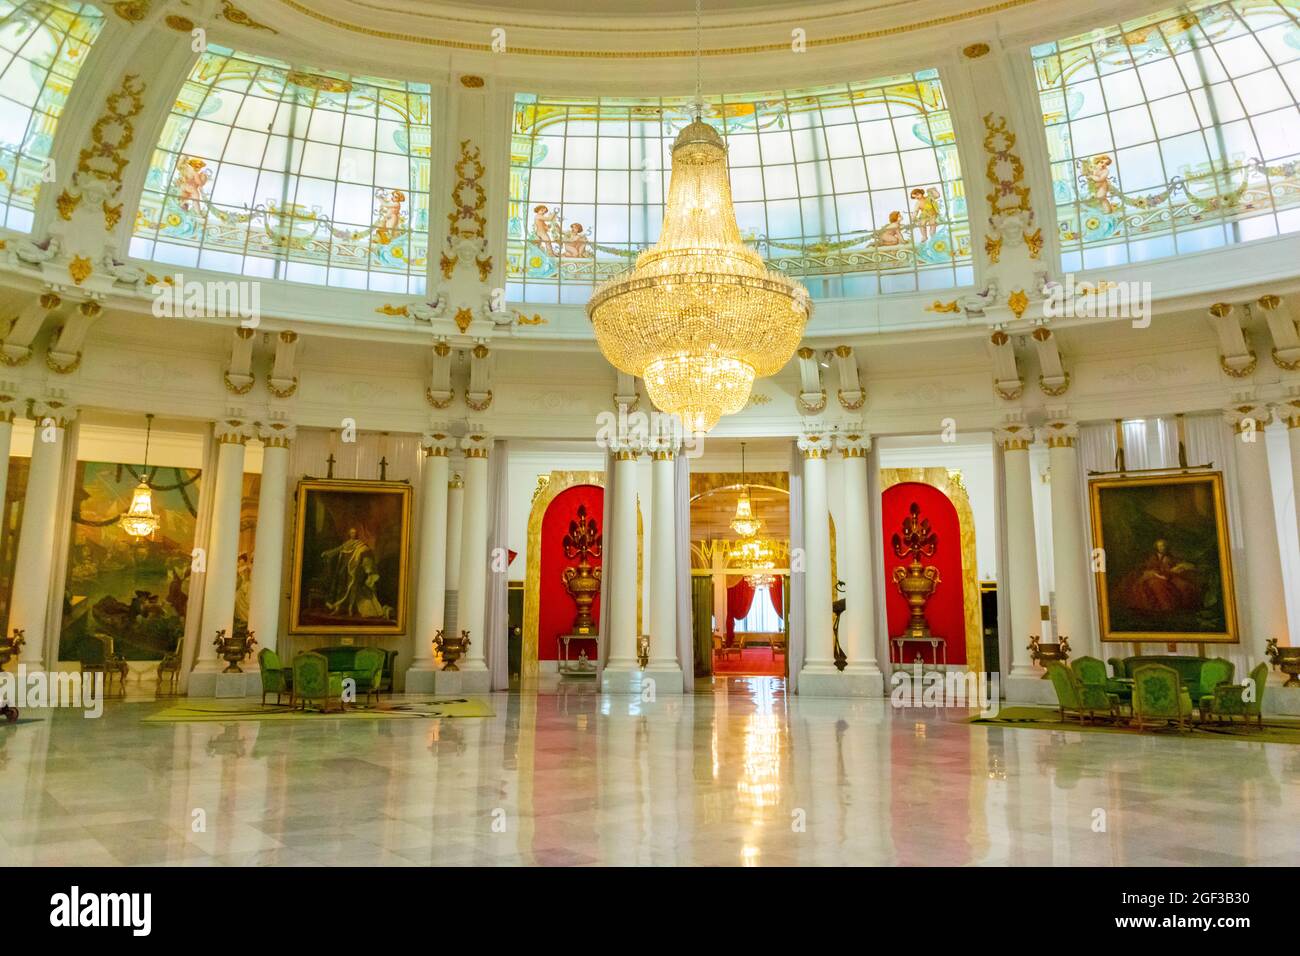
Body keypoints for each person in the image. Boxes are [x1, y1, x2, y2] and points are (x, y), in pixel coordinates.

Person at [1116, 538, 1200, 614]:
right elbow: (1151, 569)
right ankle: (1165, 607)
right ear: (1156, 547)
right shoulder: (1153, 558)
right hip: (1155, 575)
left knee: (1184, 586)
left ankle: (1184, 606)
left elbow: (1175, 566)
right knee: (1158, 585)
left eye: (1163, 545)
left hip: (1170, 575)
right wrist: (1160, 575)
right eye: (1160, 546)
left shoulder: (1170, 557)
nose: (1162, 547)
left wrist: (1178, 568)